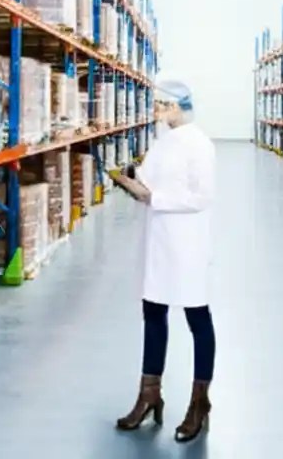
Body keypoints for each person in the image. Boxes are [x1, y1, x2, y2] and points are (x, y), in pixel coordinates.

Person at [110, 79, 217, 443]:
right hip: (157, 241)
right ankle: (149, 394)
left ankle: (200, 403)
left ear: (176, 106)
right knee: (153, 313)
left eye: (160, 104)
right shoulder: (163, 142)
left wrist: (154, 197)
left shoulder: (200, 144)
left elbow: (200, 197)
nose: (155, 110)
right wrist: (132, 179)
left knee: (197, 318)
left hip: (186, 244)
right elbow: (152, 179)